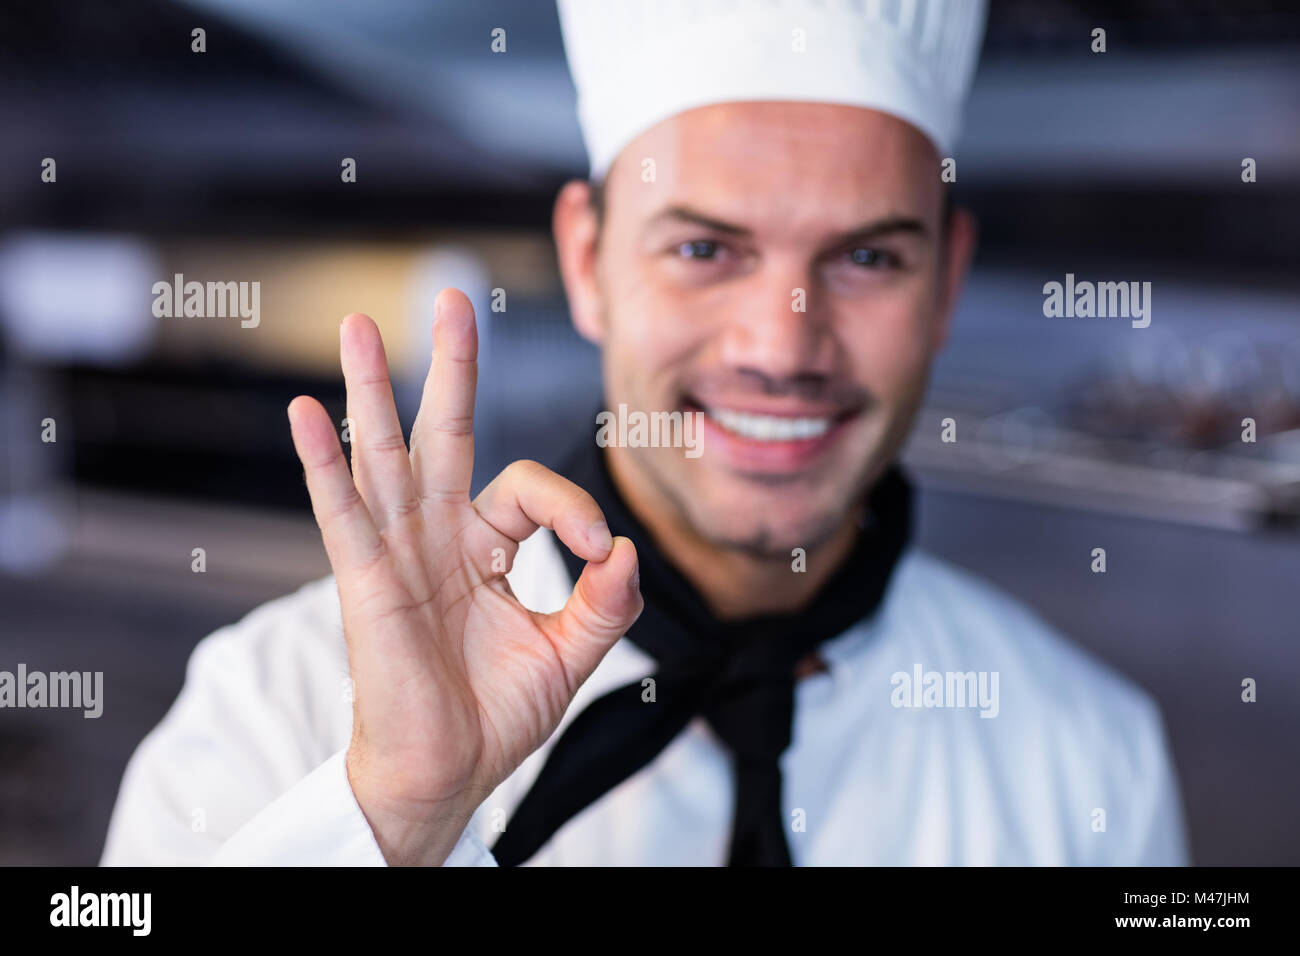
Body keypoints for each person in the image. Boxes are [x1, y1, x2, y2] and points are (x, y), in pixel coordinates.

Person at [101, 0, 1189, 866]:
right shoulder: (276, 703)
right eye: (706, 250)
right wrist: (395, 818)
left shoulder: (1088, 753)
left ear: (946, 280)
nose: (783, 343)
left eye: (867, 258)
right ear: (587, 260)